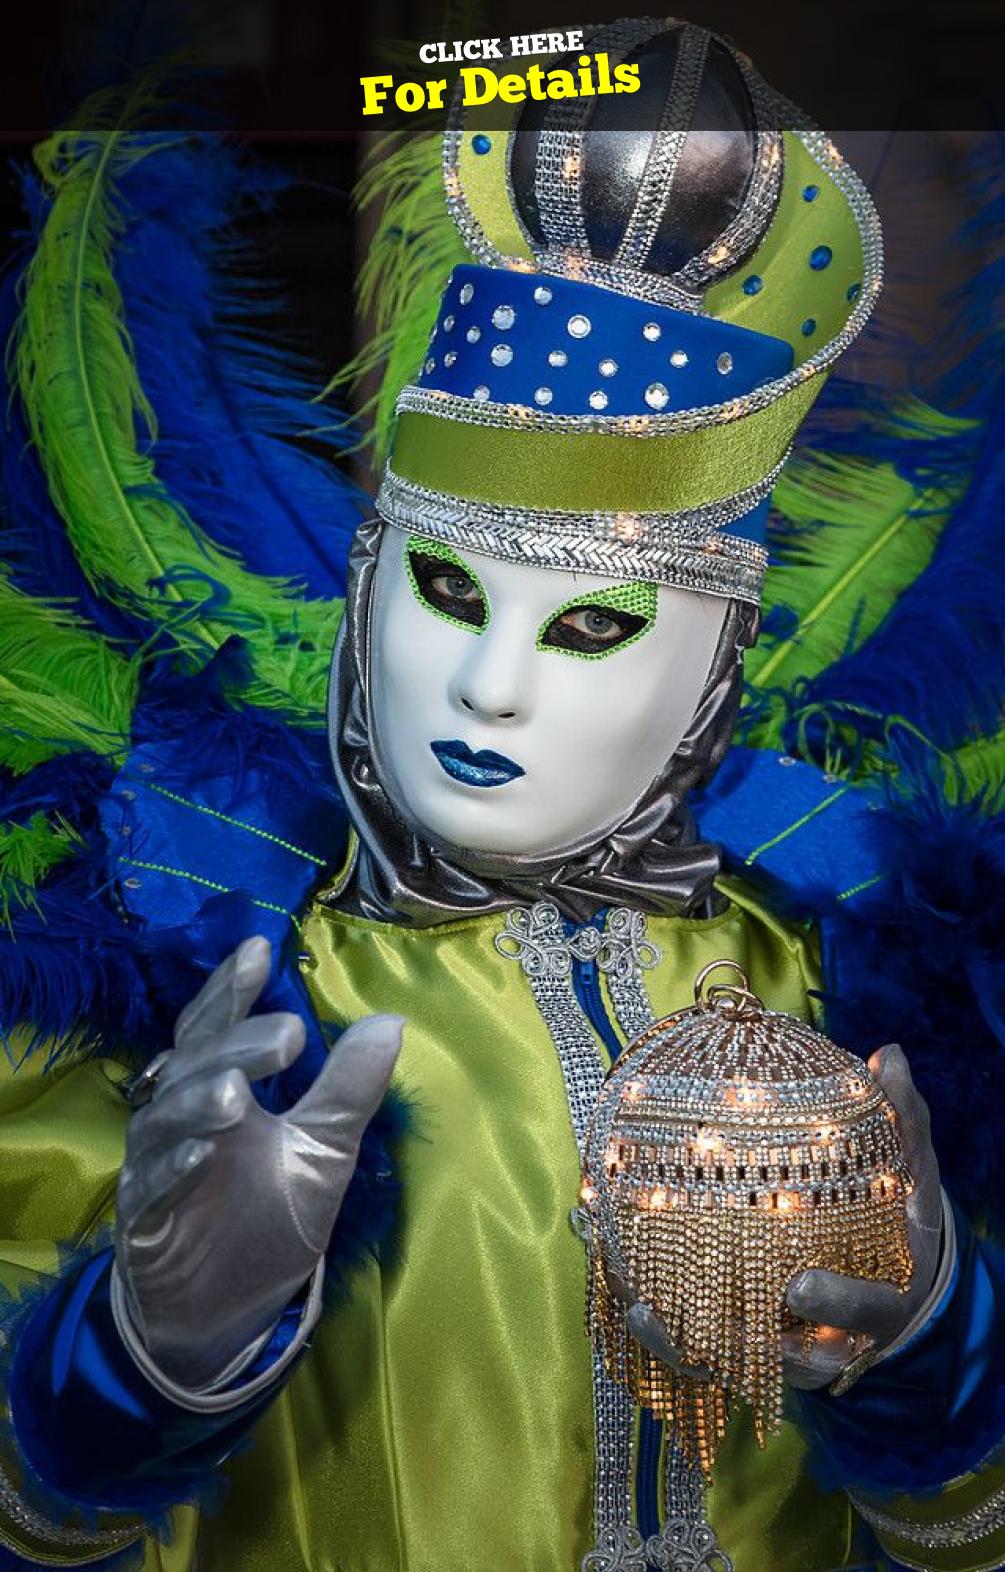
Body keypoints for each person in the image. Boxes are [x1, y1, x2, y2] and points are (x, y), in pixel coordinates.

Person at [1, 20, 1004, 1572]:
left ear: (714, 674)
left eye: (596, 627)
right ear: (362, 588)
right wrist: (138, 1359)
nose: (489, 690)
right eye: (447, 594)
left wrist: (934, 1339)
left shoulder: (878, 980)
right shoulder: (182, 981)